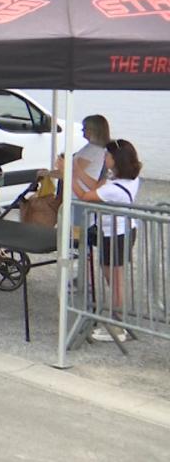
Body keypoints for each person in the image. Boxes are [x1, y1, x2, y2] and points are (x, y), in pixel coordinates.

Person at [76, 139, 141, 343]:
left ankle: (118, 327)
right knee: (111, 277)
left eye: (108, 156)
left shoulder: (114, 188)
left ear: (116, 160)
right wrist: (78, 173)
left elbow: (86, 196)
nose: (104, 158)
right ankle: (117, 317)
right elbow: (96, 187)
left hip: (117, 234)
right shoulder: (128, 179)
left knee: (116, 281)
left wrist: (71, 174)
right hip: (114, 232)